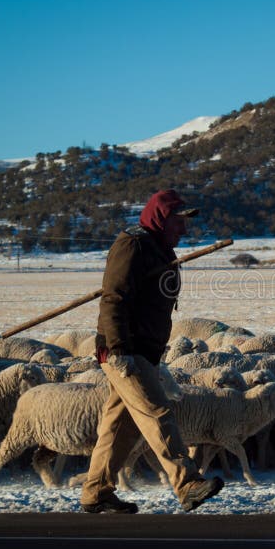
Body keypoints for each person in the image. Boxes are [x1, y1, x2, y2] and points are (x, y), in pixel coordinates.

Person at [80, 189, 224, 514]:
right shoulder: (132, 244)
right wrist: (118, 350)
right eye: (179, 221)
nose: (184, 230)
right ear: (162, 217)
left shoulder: (158, 248)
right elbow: (113, 298)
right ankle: (187, 484)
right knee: (158, 413)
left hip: (143, 352)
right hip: (125, 351)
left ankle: (96, 492)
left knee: (120, 428)